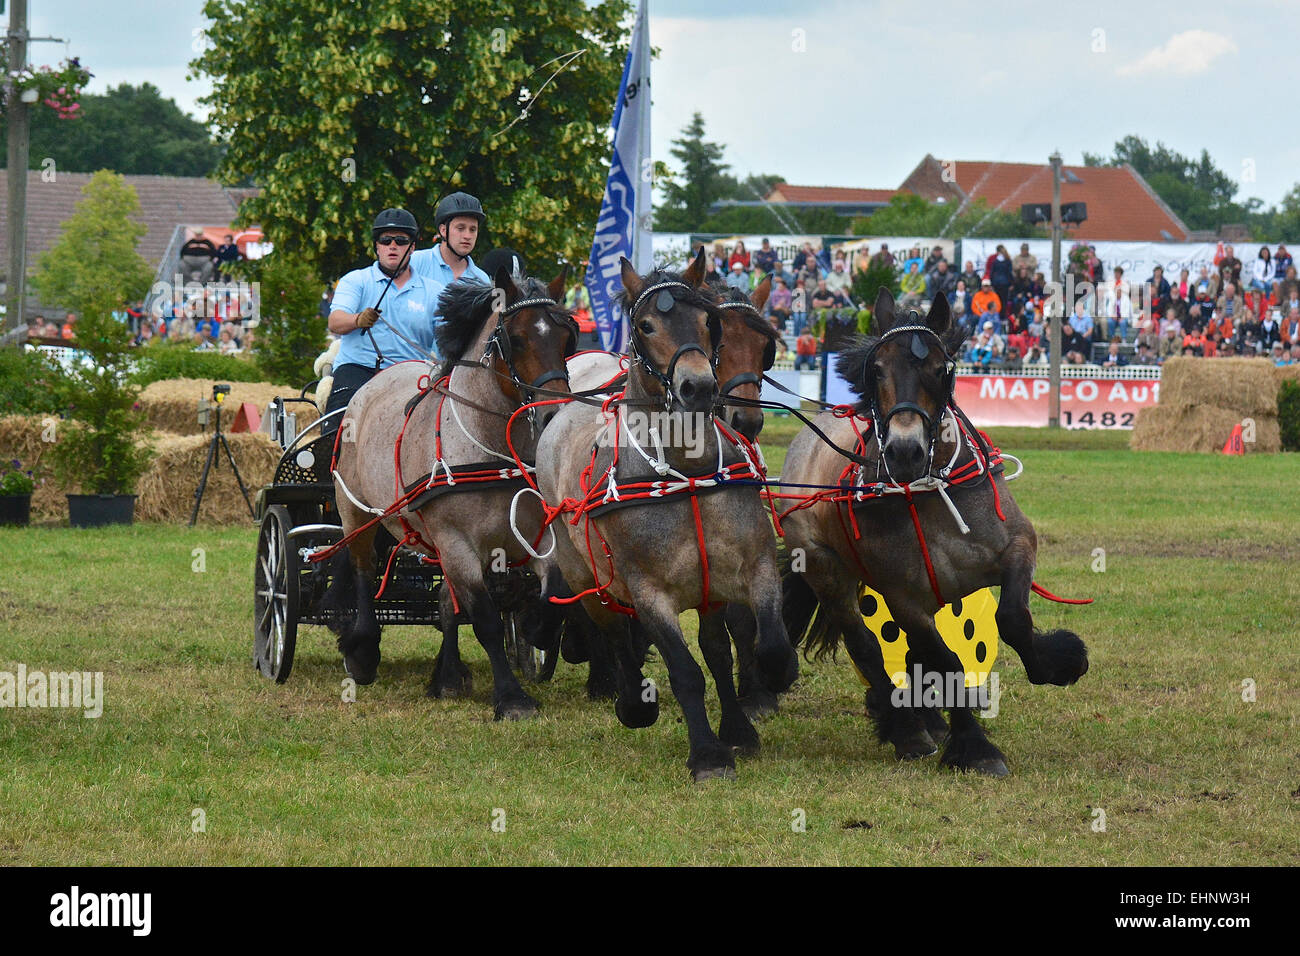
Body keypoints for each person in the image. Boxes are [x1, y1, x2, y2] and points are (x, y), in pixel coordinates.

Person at [322, 208, 443, 434]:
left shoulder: (435, 292)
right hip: (358, 370)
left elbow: (447, 342)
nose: (393, 246)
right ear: (377, 246)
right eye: (386, 240)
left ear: (412, 247)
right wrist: (358, 319)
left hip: (413, 374)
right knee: (336, 432)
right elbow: (335, 322)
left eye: (401, 240)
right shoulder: (356, 280)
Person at [408, 192, 489, 301]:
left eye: (473, 229)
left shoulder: (482, 280)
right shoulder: (415, 262)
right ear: (443, 230)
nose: (467, 236)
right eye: (460, 228)